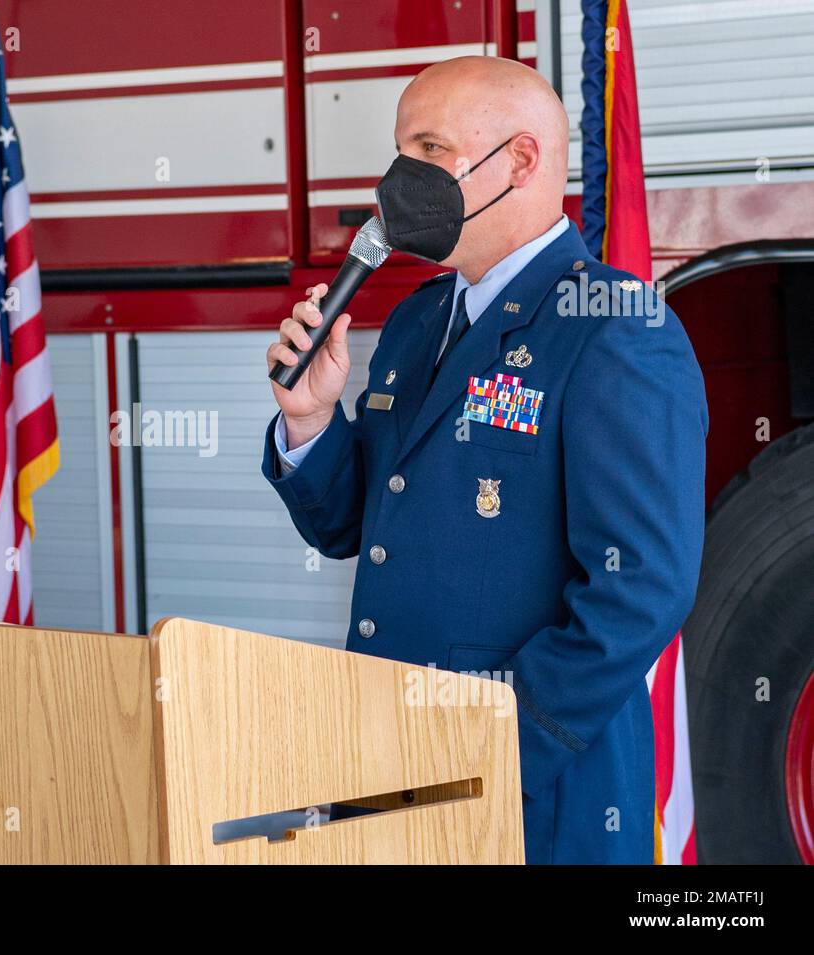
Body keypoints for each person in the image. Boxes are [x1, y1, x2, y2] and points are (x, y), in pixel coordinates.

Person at [263, 56, 707, 864]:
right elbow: (355, 526)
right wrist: (313, 419)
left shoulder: (614, 328)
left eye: (431, 150)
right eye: (401, 150)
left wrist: (496, 742)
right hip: (394, 763)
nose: (404, 179)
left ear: (523, 160)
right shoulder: (415, 321)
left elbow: (642, 585)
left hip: (534, 794)